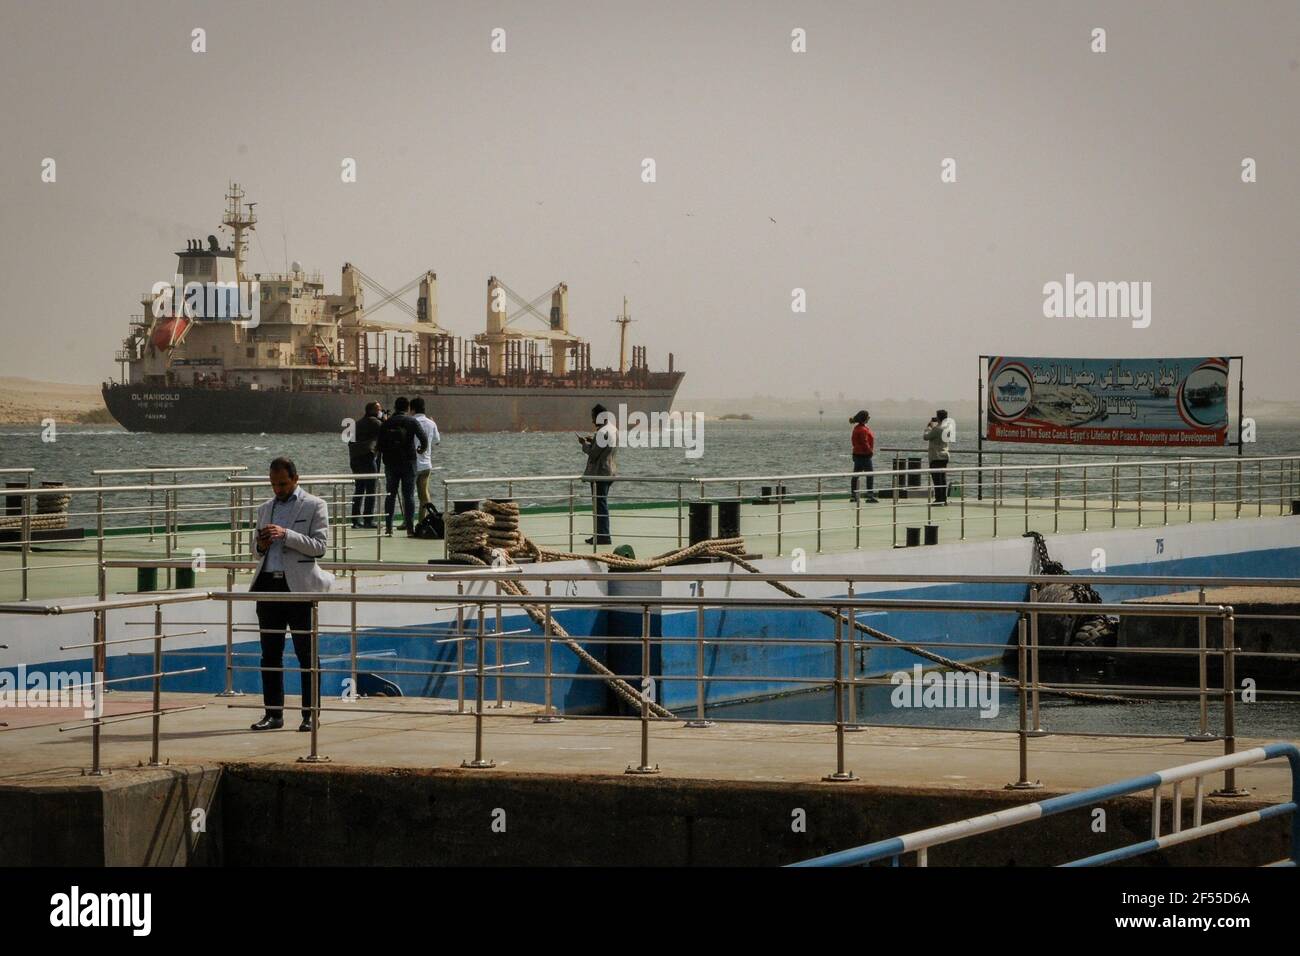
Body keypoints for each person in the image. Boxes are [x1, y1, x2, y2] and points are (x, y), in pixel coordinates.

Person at [249, 457, 335, 732]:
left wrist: (287, 534)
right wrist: (260, 545)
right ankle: (273, 714)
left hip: (299, 588)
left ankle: (311, 715)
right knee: (270, 654)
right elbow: (256, 552)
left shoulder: (314, 505)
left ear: (296, 479)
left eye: (283, 483)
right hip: (268, 586)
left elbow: (319, 547)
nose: (278, 489)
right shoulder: (264, 509)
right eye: (274, 484)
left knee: (306, 654)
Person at [377, 396, 427, 536]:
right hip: (409, 463)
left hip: (391, 463)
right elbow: (423, 439)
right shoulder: (412, 421)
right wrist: (420, 450)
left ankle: (388, 528)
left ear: (395, 406)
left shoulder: (386, 423)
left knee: (390, 495)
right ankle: (410, 529)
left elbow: (379, 445)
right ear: (407, 407)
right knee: (409, 496)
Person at [578, 403, 617, 544]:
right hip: (610, 471)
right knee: (601, 504)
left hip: (599, 473)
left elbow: (593, 454)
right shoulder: (613, 429)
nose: (592, 421)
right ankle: (600, 534)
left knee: (599, 505)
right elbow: (606, 448)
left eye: (594, 417)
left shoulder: (601, 433)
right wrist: (593, 440)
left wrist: (584, 444)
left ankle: (602, 536)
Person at [348, 402, 383, 528]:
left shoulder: (356, 424)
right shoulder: (376, 423)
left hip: (355, 459)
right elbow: (386, 434)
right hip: (368, 458)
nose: (381, 411)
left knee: (359, 489)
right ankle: (368, 519)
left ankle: (355, 520)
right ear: (373, 410)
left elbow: (350, 442)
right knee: (371, 489)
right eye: (379, 409)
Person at [409, 396, 441, 513]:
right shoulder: (431, 423)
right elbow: (437, 441)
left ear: (412, 410)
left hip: (412, 464)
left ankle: (407, 522)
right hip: (426, 464)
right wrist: (434, 424)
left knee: (408, 494)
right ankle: (424, 521)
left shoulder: (409, 422)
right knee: (424, 495)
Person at [923, 409, 952, 504]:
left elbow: (926, 437)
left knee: (936, 479)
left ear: (938, 417)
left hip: (936, 457)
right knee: (943, 479)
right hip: (944, 456)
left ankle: (939, 499)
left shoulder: (936, 429)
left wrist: (928, 427)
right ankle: (944, 499)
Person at [849, 410, 877, 502]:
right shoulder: (863, 430)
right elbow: (864, 442)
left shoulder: (856, 428)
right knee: (870, 475)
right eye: (868, 416)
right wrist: (870, 451)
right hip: (864, 455)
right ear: (864, 418)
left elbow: (854, 442)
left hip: (857, 455)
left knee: (856, 475)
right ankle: (870, 495)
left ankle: (854, 495)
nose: (869, 417)